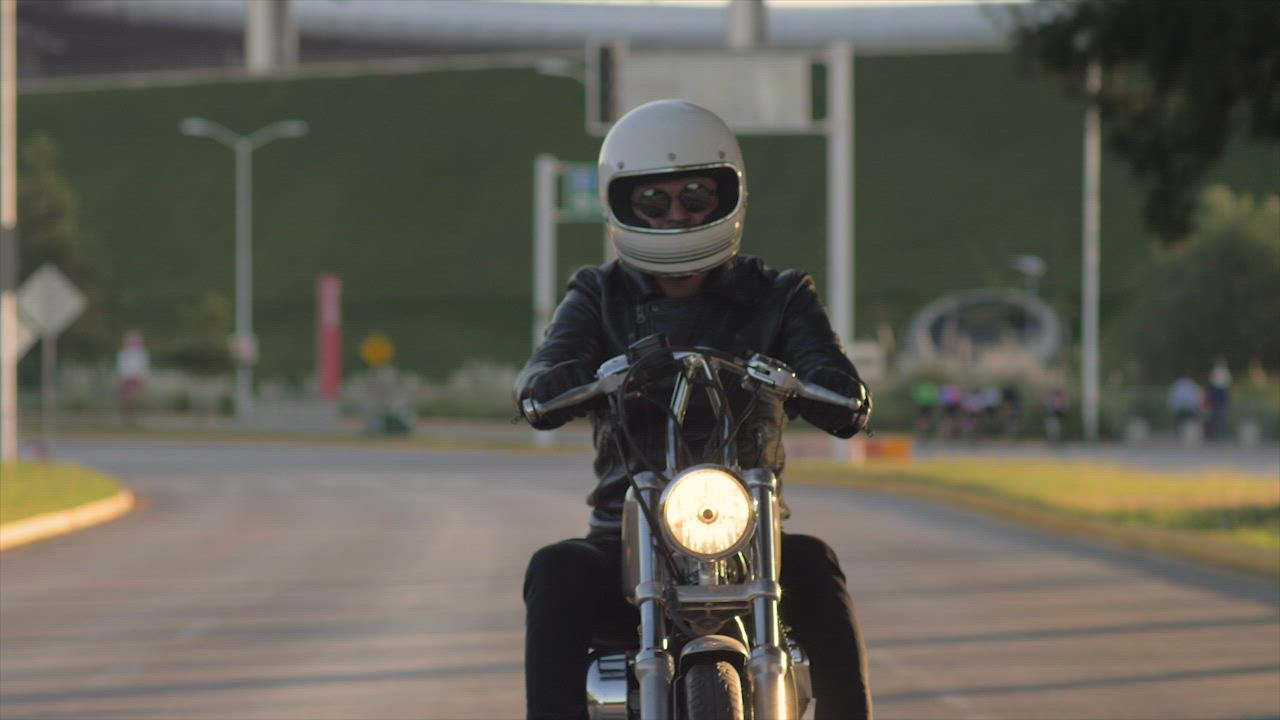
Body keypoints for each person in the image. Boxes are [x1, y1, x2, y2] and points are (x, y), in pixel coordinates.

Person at [515, 100, 873, 720]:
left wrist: (817, 383)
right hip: (624, 539)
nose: (676, 213)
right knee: (555, 571)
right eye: (654, 201)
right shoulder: (597, 294)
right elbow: (543, 381)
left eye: (696, 195)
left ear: (727, 195)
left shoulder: (781, 296)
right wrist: (582, 378)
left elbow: (839, 387)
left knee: (814, 565)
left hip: (749, 535)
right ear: (621, 204)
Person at [115, 328, 149, 426]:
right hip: (127, 379)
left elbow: (143, 368)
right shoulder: (124, 353)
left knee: (135, 398)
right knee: (127, 400)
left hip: (136, 379)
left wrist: (142, 380)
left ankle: (135, 419)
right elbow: (122, 368)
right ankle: (128, 419)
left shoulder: (142, 354)